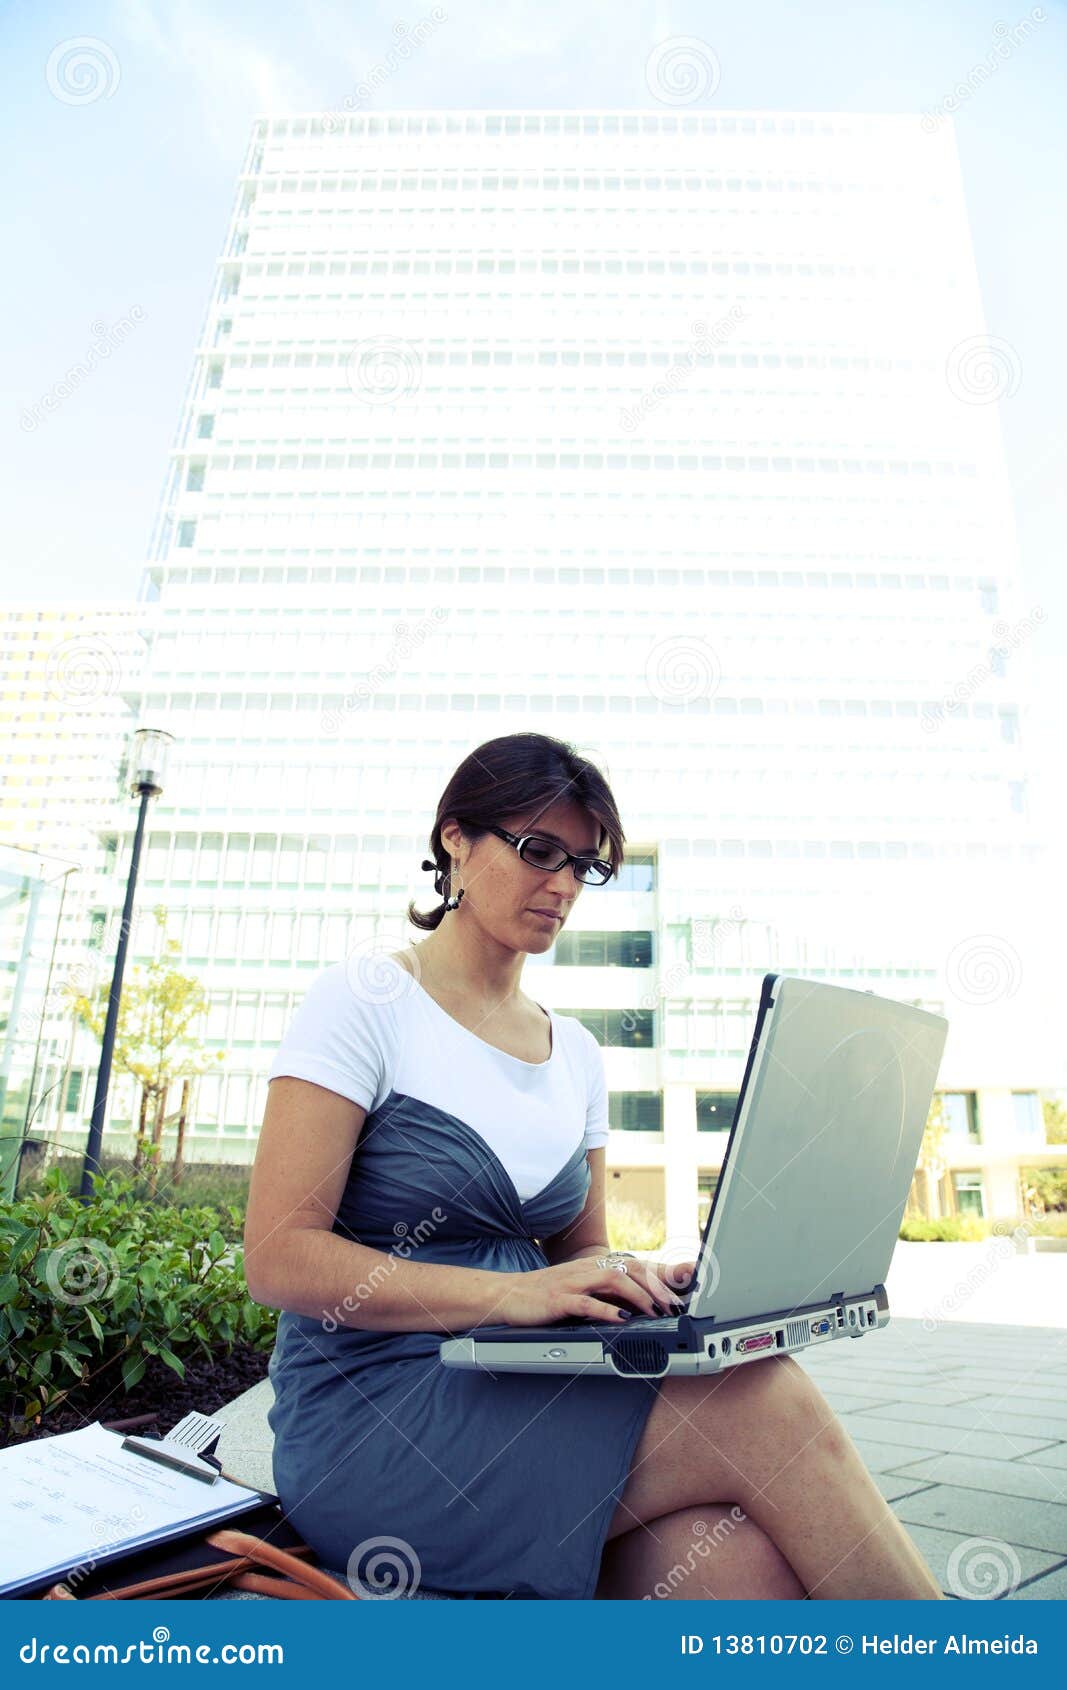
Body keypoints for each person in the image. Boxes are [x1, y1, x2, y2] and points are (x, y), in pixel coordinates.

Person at [244, 730, 944, 1601]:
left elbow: (579, 1260)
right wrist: (507, 1294)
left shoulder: (573, 1052)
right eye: (539, 851)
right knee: (763, 1403)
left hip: (517, 1380)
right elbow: (277, 1258)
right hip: (377, 1414)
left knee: (733, 1572)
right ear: (454, 839)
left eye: (584, 865)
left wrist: (632, 1278)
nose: (564, 884)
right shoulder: (362, 1001)